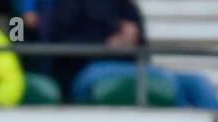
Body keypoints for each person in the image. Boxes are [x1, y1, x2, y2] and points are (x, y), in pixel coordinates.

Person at [49, 0, 218, 108]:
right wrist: (106, 45)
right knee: (165, 81)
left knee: (198, 82)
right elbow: (61, 43)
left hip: (133, 66)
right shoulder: (72, 4)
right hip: (87, 70)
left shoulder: (127, 7)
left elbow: (143, 50)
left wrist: (130, 41)